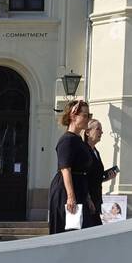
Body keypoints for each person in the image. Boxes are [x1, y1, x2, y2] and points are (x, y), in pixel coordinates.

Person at [48, 99, 94, 233]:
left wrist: (87, 197)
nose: (87, 119)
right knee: (70, 232)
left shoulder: (78, 140)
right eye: (85, 115)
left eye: (89, 115)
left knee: (81, 231)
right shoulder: (67, 140)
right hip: (66, 190)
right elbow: (65, 169)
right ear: (73, 116)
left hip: (79, 188)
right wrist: (71, 196)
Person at [84, 118, 116, 225]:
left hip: (96, 198)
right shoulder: (84, 150)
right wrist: (88, 199)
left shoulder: (96, 151)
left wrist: (106, 177)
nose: (101, 132)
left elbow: (95, 177)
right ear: (87, 132)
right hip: (87, 200)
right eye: (98, 129)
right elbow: (83, 177)